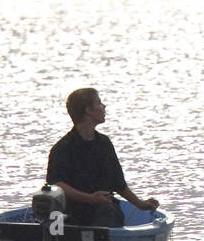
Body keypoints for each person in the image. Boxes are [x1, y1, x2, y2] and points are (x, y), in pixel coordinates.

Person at [46, 88, 159, 227]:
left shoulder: (104, 143)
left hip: (104, 209)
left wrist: (140, 204)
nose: (104, 106)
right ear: (88, 110)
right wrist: (90, 199)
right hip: (73, 213)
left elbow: (118, 183)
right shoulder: (63, 148)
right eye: (99, 103)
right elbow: (56, 184)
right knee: (106, 212)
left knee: (109, 211)